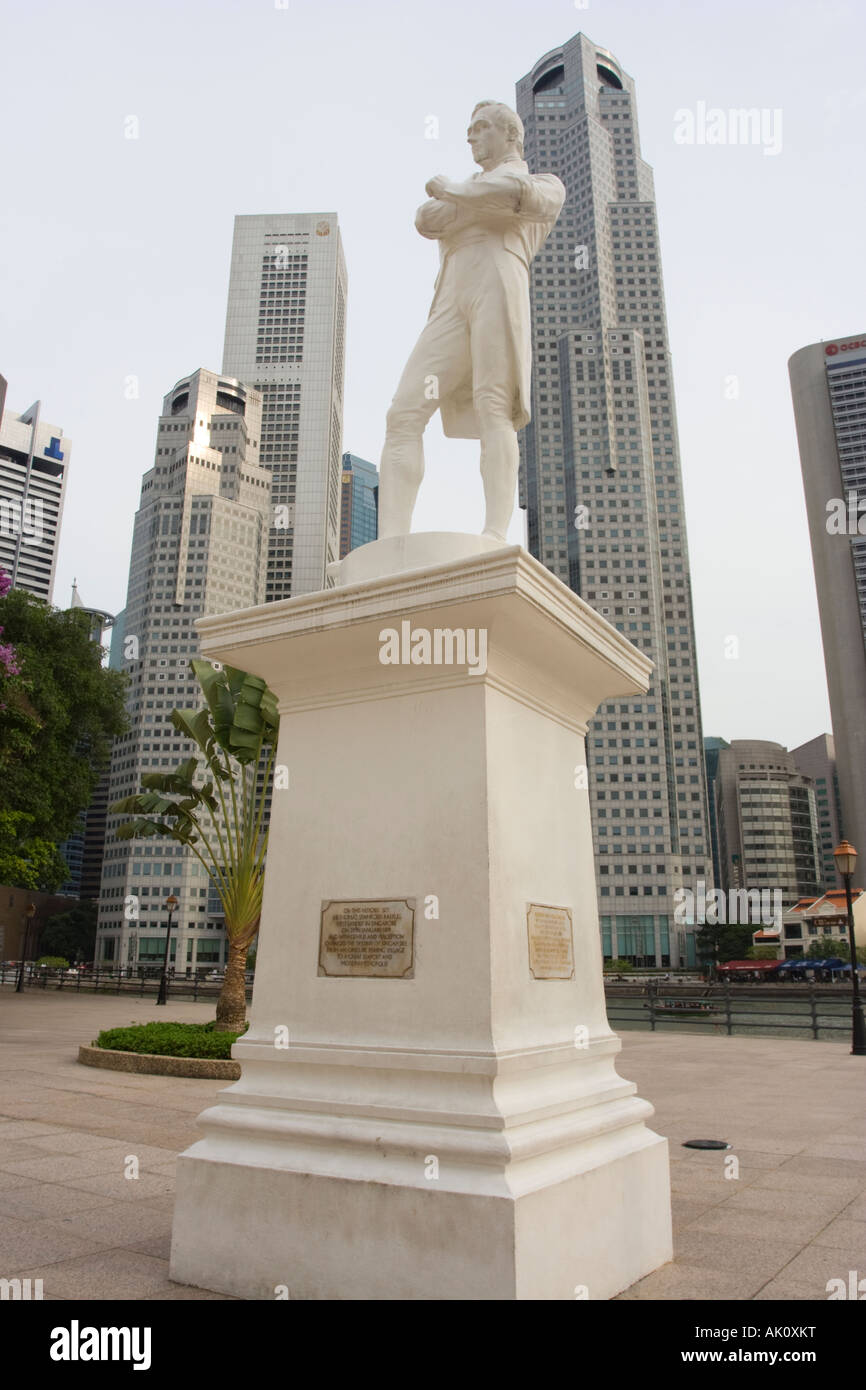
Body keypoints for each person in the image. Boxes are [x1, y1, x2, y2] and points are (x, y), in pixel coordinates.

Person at [378, 100, 565, 540]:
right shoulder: (475, 189)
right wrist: (472, 200)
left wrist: (452, 191)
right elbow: (426, 220)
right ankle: (390, 543)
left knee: (493, 406)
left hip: (498, 282)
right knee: (404, 412)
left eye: (481, 128)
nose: (470, 136)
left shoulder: (544, 183)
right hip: (451, 295)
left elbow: (514, 195)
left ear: (509, 134)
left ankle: (494, 535)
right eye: (469, 129)